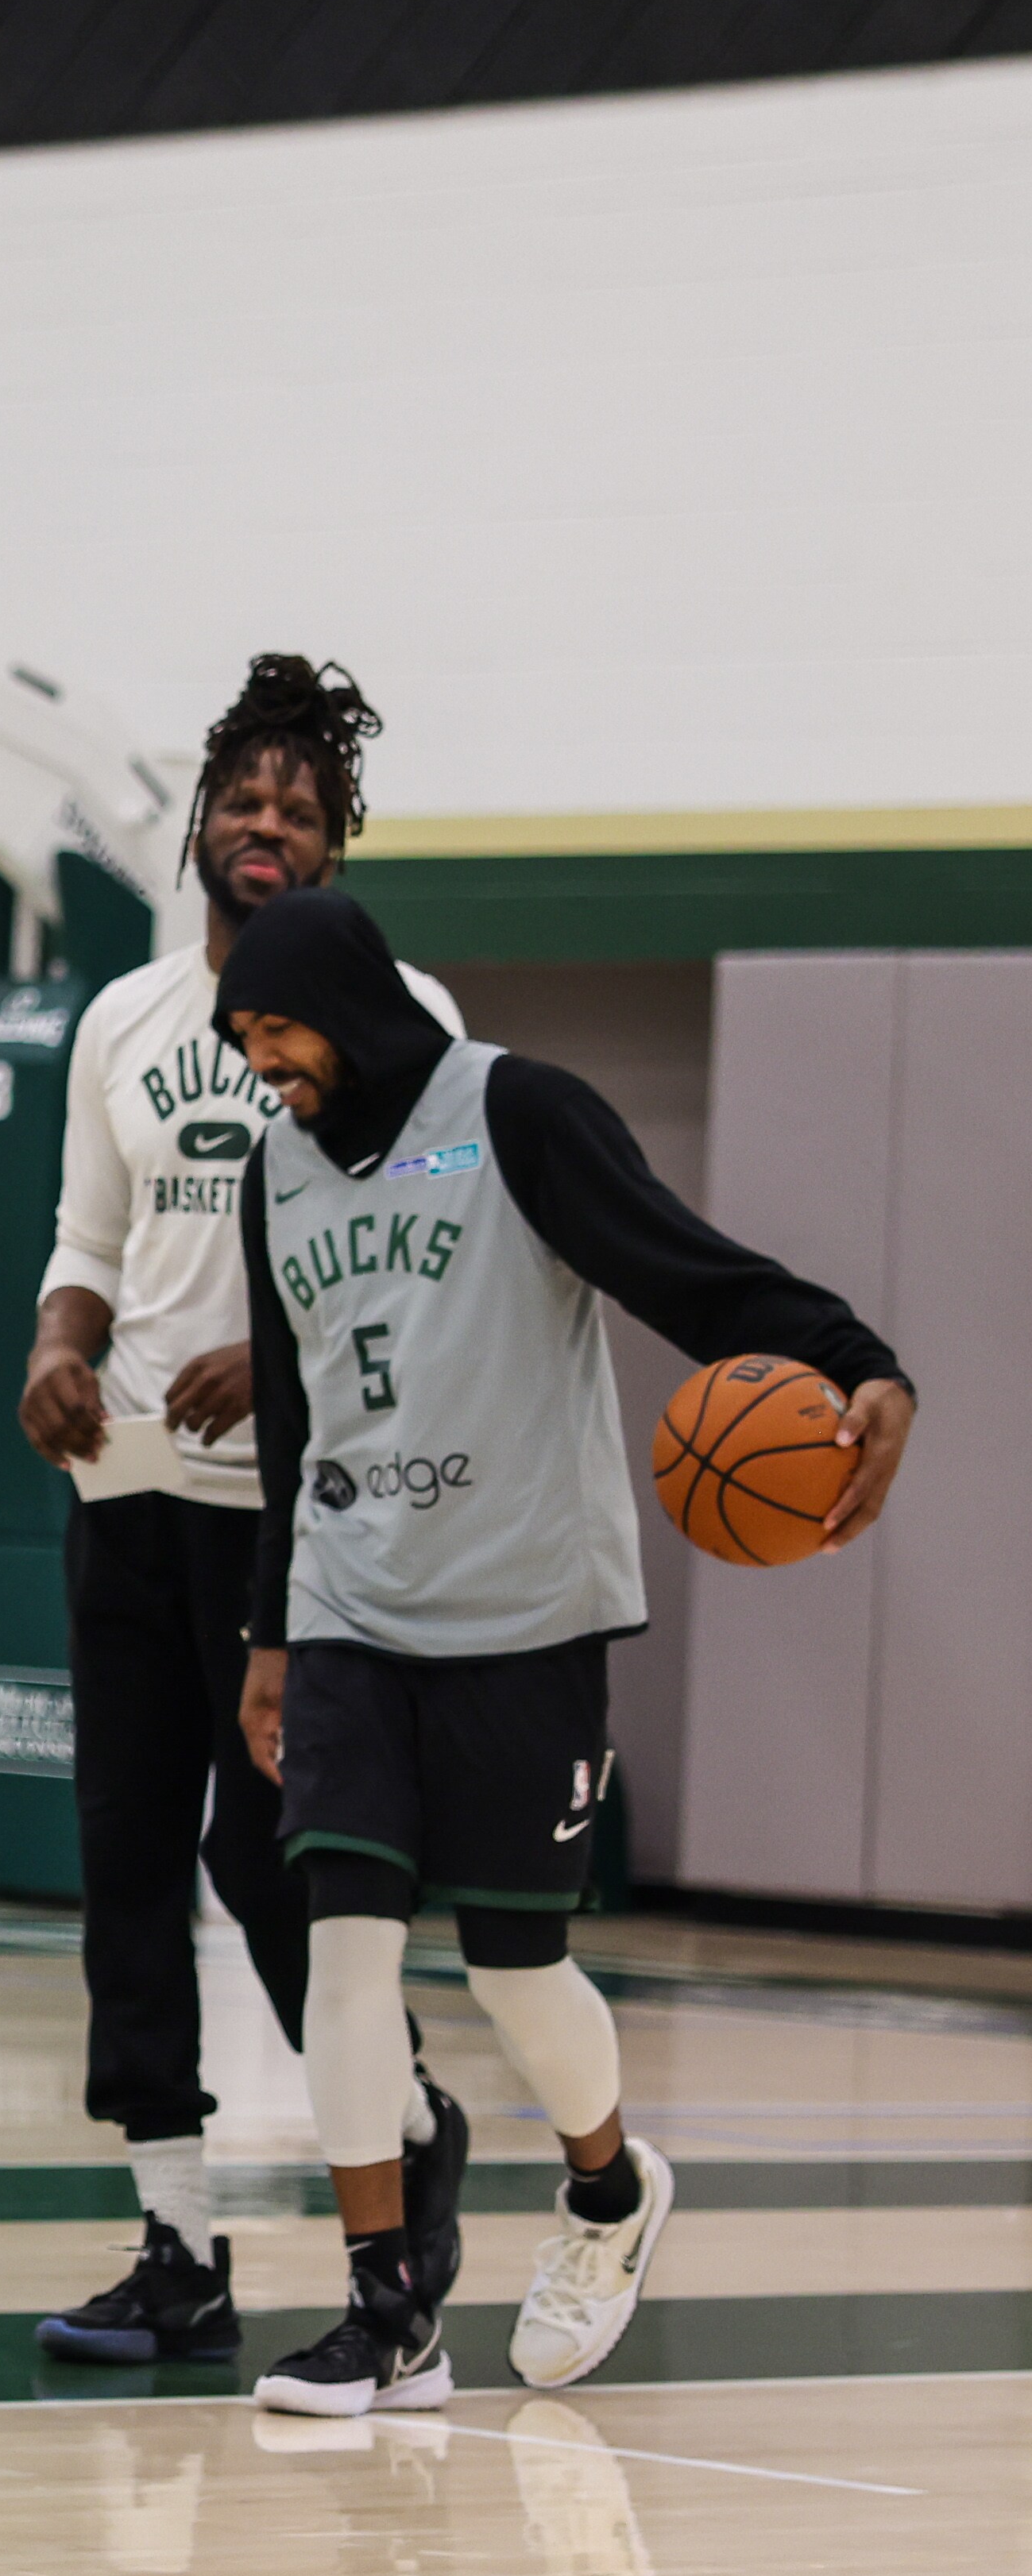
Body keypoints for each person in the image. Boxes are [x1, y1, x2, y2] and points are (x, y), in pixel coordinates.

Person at [221, 890, 914, 2415]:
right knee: (339, 1944)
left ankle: (607, 2192)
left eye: (276, 1030)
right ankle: (383, 2306)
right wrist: (270, 1627)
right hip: (350, 1601)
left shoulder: (518, 1110)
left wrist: (853, 1359)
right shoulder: (272, 1172)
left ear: (348, 1004)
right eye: (244, 1038)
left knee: (516, 1968)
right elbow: (290, 1412)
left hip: (523, 1609)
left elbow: (683, 1268)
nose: (262, 1061)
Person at [18, 657, 469, 2364]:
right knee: (126, 1860)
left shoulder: (401, 1011)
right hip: (127, 1495)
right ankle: (176, 2238)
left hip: (300, 1514)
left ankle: (406, 2119)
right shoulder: (123, 1021)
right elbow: (84, 1243)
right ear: (202, 821)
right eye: (244, 797)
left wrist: (273, 1367)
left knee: (266, 1851)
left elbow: (437, 1254)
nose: (263, 824)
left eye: (299, 806)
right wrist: (57, 1351)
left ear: (333, 852)